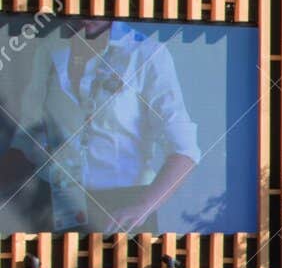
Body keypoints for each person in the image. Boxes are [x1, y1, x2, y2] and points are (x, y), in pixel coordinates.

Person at [19, 18, 201, 234]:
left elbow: (184, 150)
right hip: (59, 206)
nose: (88, 14)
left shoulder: (146, 54)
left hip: (123, 210)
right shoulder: (50, 48)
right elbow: (27, 136)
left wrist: (143, 207)